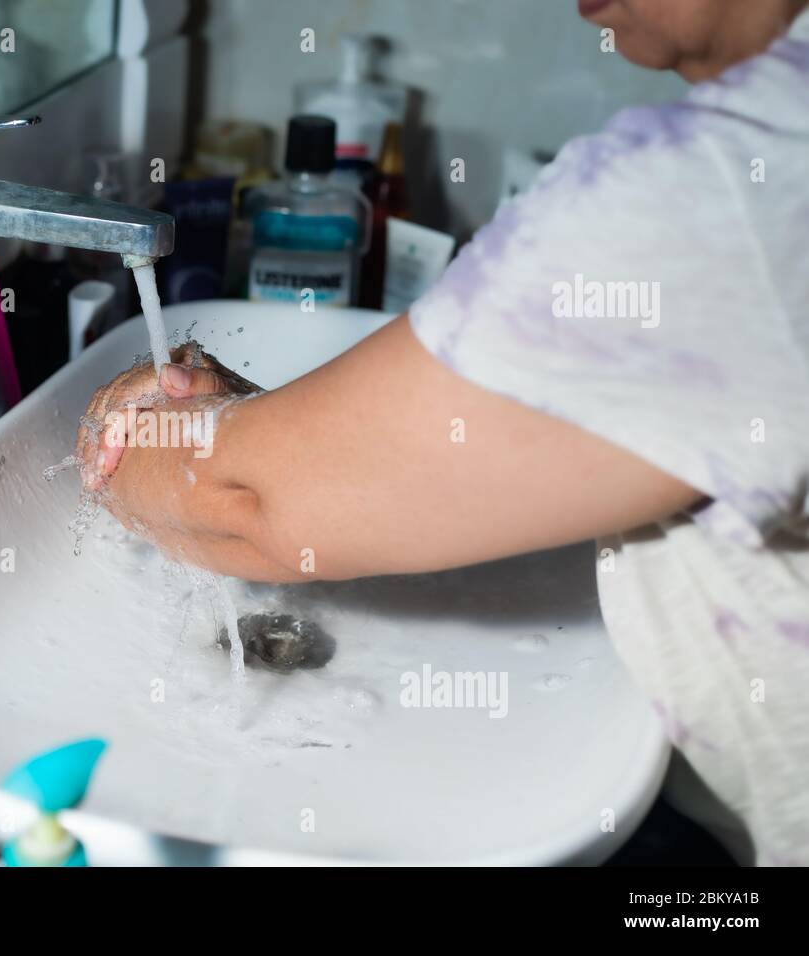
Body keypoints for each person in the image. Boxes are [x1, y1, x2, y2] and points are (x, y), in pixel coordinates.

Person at [76, 0, 809, 865]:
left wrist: (132, 425)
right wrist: (254, 423)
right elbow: (496, 449)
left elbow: (248, 502)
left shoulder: (718, 184)